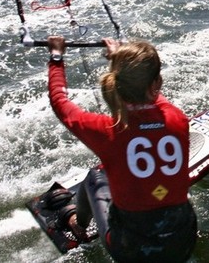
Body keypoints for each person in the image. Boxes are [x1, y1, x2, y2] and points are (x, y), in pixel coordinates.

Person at [44, 36, 198, 262]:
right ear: (157, 83)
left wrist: (56, 57)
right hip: (183, 244)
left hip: (131, 253)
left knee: (94, 177)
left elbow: (60, 103)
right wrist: (118, 57)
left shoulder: (107, 131)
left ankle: (78, 224)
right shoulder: (178, 119)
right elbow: (153, 97)